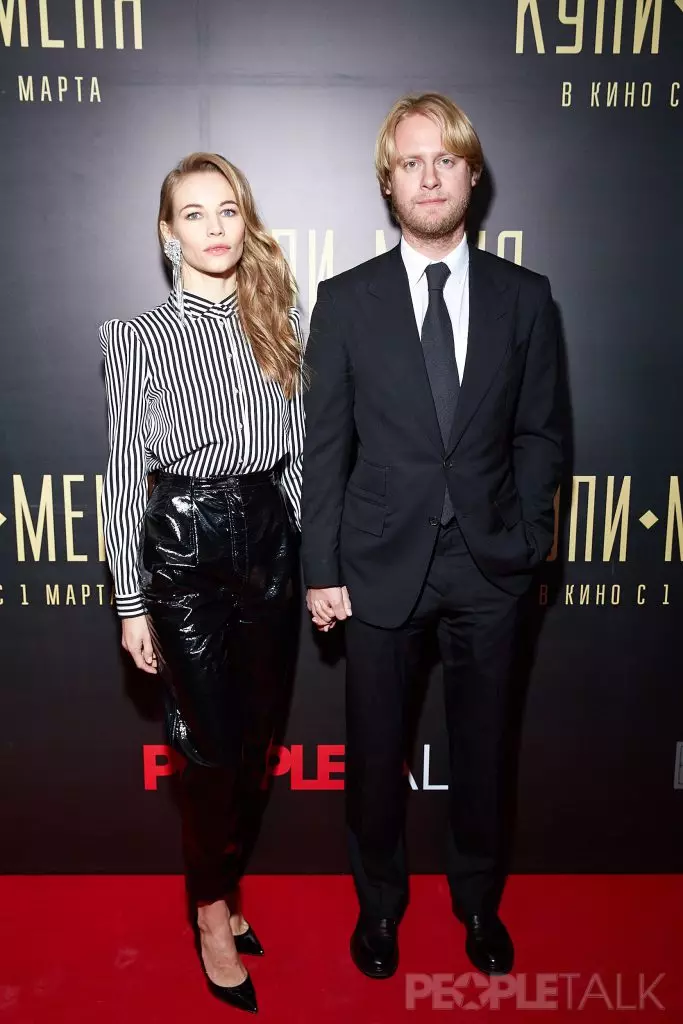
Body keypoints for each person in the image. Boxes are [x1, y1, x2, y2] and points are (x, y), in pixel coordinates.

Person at [301, 93, 563, 979]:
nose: (427, 177)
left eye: (443, 161)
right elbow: (325, 447)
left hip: (489, 565)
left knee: (484, 751)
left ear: (471, 174)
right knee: (374, 756)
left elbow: (541, 433)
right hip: (376, 566)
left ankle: (478, 903)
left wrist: (526, 537)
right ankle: (379, 911)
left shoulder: (526, 299)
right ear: (387, 180)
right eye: (410, 162)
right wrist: (321, 567)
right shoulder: (345, 301)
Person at [100, 152, 304, 1014]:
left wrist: (312, 561)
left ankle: (227, 884)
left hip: (271, 544)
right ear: (166, 232)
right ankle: (211, 915)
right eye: (195, 214)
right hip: (183, 549)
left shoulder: (279, 319)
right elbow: (118, 475)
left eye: (228, 211)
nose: (215, 228)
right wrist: (131, 600)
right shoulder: (135, 337)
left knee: (255, 748)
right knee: (211, 751)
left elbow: (295, 457)